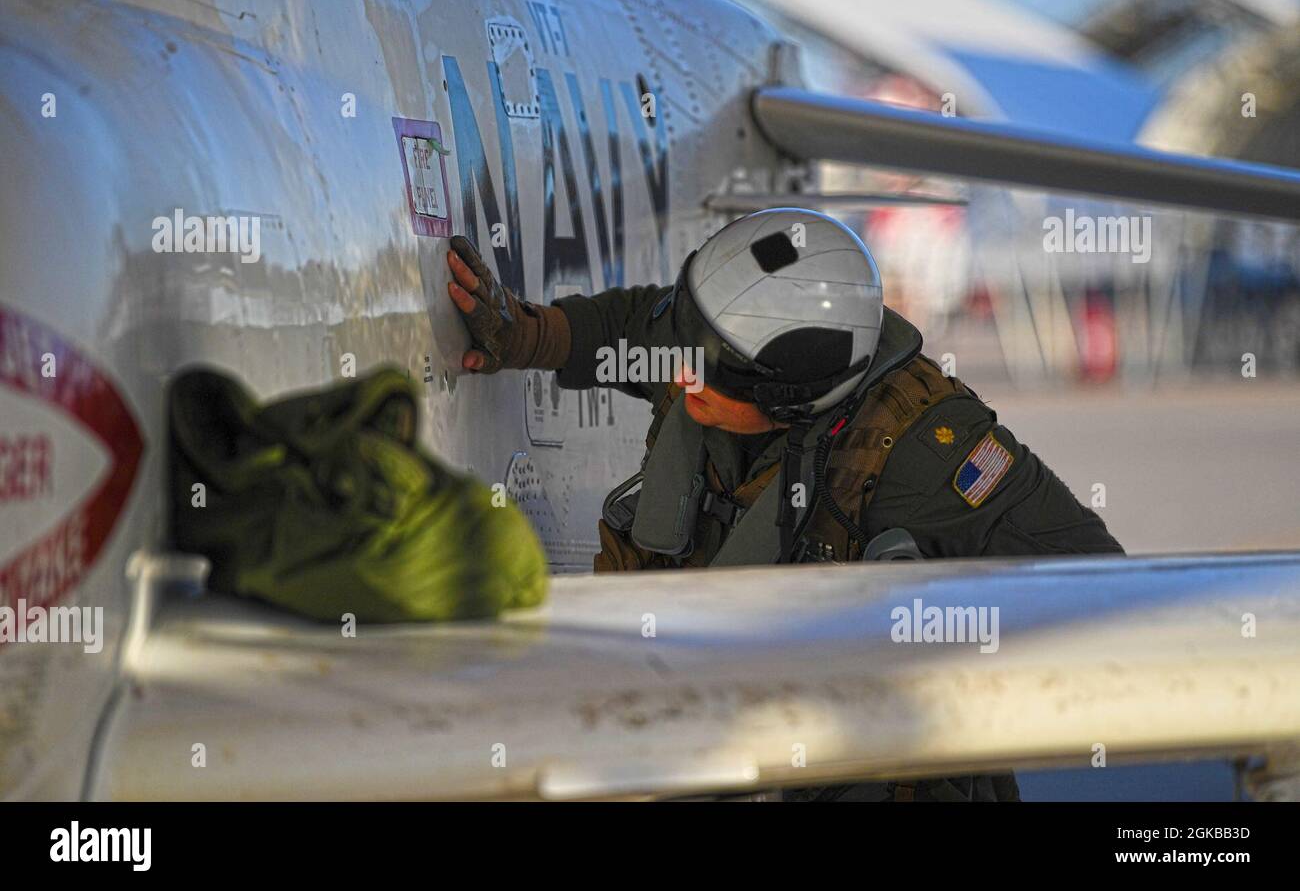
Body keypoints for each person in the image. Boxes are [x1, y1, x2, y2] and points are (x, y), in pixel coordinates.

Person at [447, 208, 1124, 801]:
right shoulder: (721, 339)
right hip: (692, 741)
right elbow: (626, 329)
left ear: (791, 400)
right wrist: (523, 333)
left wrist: (918, 627)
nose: (678, 376)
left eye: (706, 372)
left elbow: (1102, 594)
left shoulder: (928, 453)